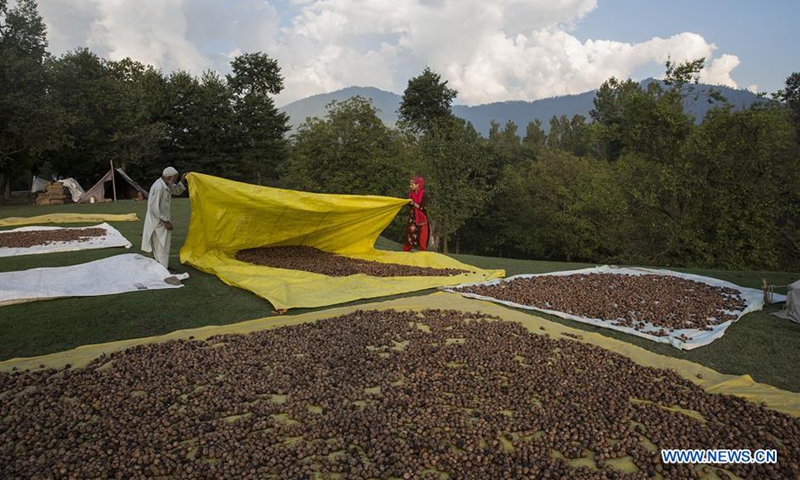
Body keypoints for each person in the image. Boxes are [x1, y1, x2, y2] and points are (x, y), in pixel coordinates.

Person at [142, 167, 188, 270]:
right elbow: (154, 208)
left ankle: (162, 265)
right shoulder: (159, 187)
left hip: (160, 219)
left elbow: (176, 190)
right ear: (169, 177)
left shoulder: (166, 184)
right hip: (158, 221)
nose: (175, 180)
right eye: (175, 178)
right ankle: (162, 267)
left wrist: (182, 181)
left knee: (162, 244)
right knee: (162, 244)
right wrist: (166, 221)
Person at [403, 176, 429, 251]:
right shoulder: (410, 194)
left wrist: (413, 203)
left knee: (422, 235)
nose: (410, 186)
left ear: (418, 184)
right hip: (412, 218)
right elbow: (406, 202)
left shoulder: (424, 195)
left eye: (412, 184)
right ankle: (405, 251)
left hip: (422, 219)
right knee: (409, 234)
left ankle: (423, 252)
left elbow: (423, 207)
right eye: (410, 184)